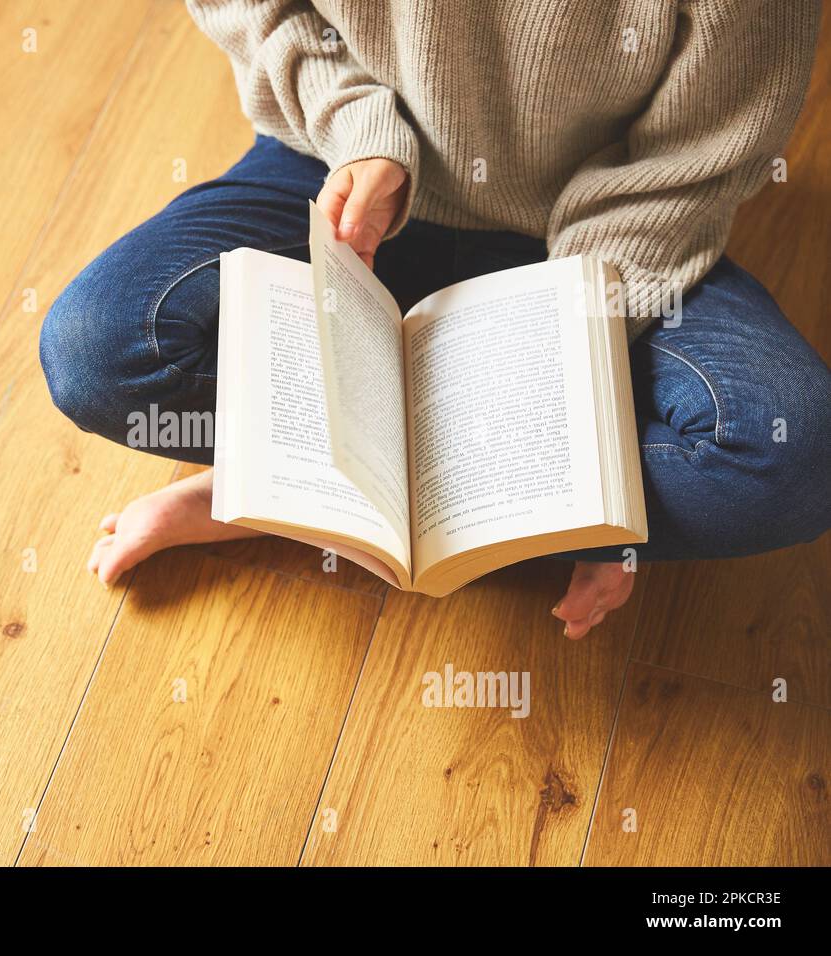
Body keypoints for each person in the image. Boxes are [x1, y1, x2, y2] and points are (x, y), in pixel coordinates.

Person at [40, 0, 830, 638]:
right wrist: (357, 129)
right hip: (342, 168)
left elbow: (705, 148)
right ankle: (363, 495)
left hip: (602, 223)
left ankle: (292, 486)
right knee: (98, 349)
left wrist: (565, 339)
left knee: (791, 454)